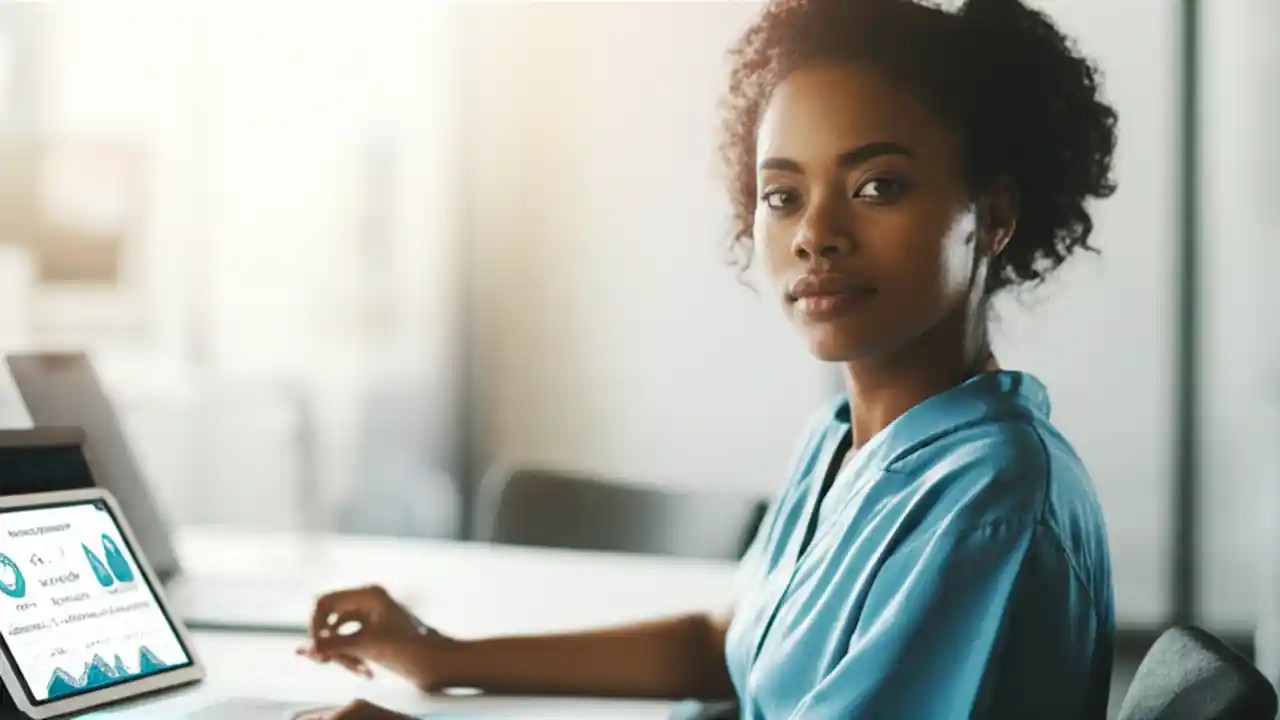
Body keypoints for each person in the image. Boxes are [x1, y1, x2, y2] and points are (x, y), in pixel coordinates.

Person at [294, 0, 1119, 717]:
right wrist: (442, 658)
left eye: (878, 186)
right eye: (782, 195)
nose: (815, 234)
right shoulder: (847, 439)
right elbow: (727, 649)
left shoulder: (991, 501)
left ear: (995, 215)